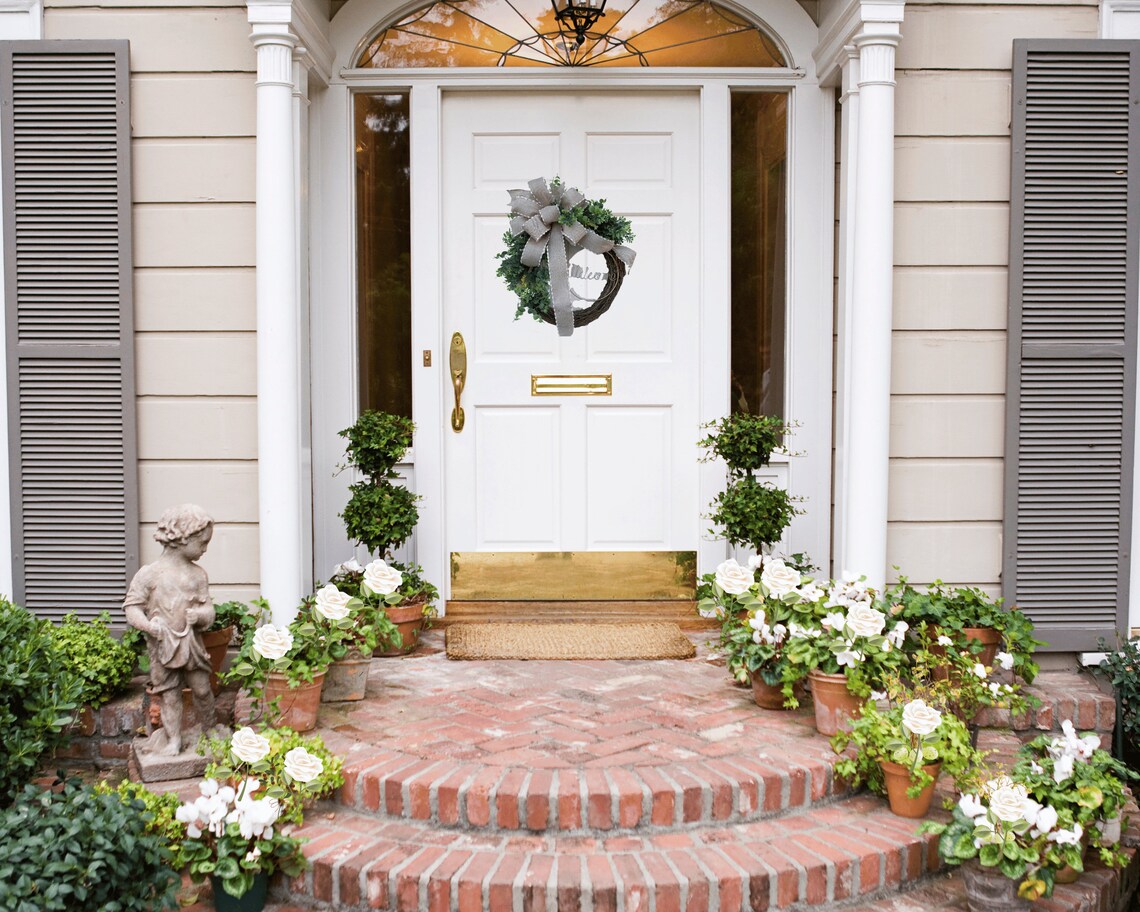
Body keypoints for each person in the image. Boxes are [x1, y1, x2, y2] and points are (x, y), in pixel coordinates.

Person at [123, 503, 219, 756]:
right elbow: (132, 608)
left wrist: (199, 615)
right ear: (182, 537)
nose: (205, 549)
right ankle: (173, 740)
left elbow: (209, 612)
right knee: (170, 695)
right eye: (202, 543)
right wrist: (149, 626)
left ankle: (210, 730)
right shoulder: (149, 575)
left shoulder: (198, 575)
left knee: (201, 688)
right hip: (163, 645)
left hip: (191, 644)